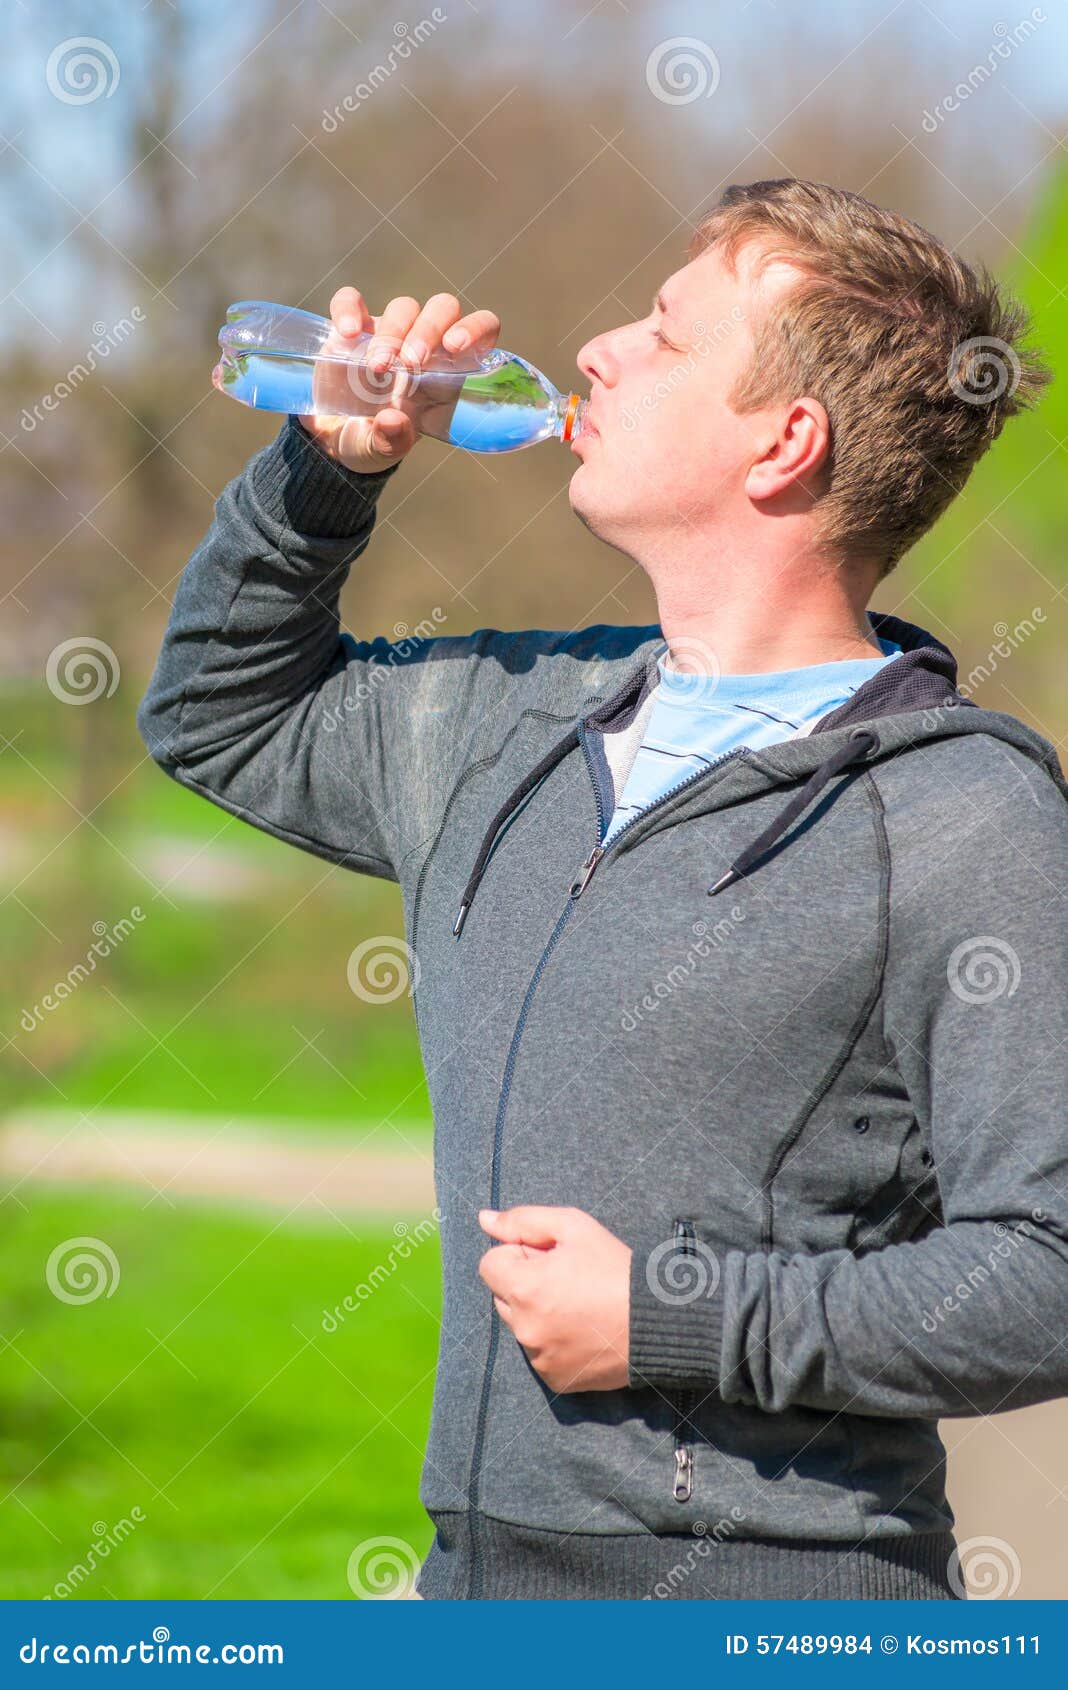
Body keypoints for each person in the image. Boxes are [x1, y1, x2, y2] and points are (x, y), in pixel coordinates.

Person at [138, 178, 1067, 1601]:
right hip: (474, 1593)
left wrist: (667, 1318)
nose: (599, 348)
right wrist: (327, 471)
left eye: (668, 333)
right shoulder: (503, 720)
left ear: (784, 441)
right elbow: (213, 713)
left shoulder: (962, 814)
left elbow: (1044, 1269)